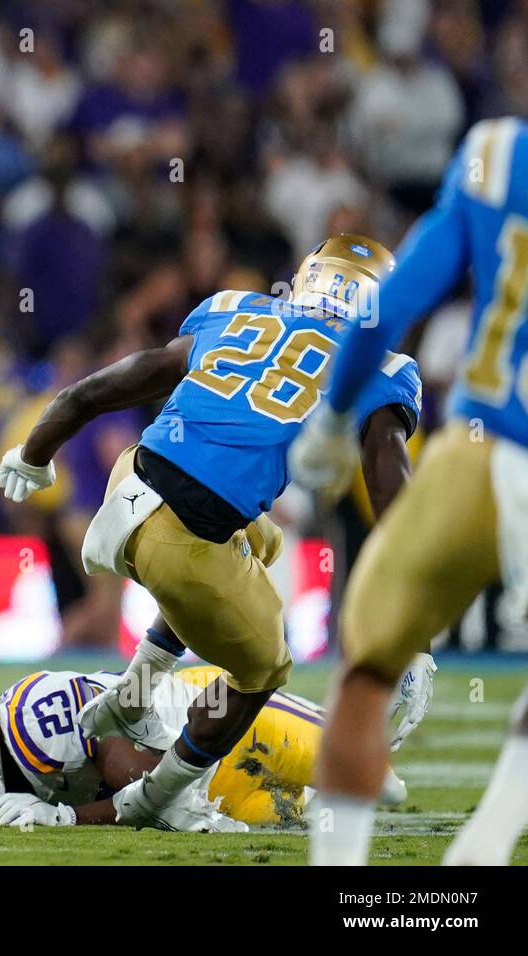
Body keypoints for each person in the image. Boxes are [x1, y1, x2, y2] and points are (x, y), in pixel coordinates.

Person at [0, 236, 422, 831]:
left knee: (261, 539)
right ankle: (150, 799)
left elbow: (105, 387)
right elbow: (389, 490)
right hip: (185, 548)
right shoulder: (383, 367)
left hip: (128, 486)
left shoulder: (236, 309)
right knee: (266, 668)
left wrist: (34, 452)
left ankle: (136, 690)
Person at [290, 117, 528, 866]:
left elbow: (387, 306)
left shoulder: (499, 153)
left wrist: (330, 420)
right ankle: (485, 850)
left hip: (486, 450)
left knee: (366, 666)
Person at [0, 659, 433, 829]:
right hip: (219, 799)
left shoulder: (30, 721)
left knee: (379, 780)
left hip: (223, 728)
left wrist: (69, 818)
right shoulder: (13, 782)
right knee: (335, 822)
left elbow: (141, 779)